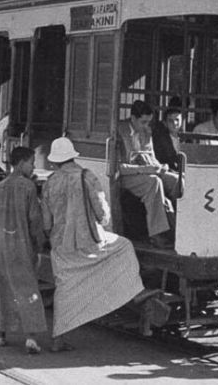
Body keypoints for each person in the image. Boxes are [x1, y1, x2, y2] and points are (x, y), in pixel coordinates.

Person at [41, 137, 146, 351]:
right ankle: (134, 292)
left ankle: (58, 339)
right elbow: (103, 214)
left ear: (56, 161)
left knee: (65, 287)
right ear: (72, 156)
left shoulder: (50, 182)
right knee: (124, 246)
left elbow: (46, 222)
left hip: (61, 246)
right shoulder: (87, 176)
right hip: (89, 243)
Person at [0, 147, 47, 354]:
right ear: (21, 163)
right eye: (32, 162)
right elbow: (35, 221)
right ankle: (30, 338)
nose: (34, 167)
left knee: (2, 289)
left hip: (1, 246)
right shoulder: (29, 188)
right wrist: (39, 247)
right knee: (28, 289)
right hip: (22, 246)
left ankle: (0, 334)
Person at [116, 101, 178, 247]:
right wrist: (147, 169)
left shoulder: (146, 131)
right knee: (153, 182)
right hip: (126, 176)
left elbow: (152, 157)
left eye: (148, 122)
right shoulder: (119, 131)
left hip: (145, 171)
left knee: (176, 180)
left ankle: (178, 228)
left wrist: (160, 167)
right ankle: (156, 234)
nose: (146, 126)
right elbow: (119, 168)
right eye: (143, 122)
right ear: (132, 118)